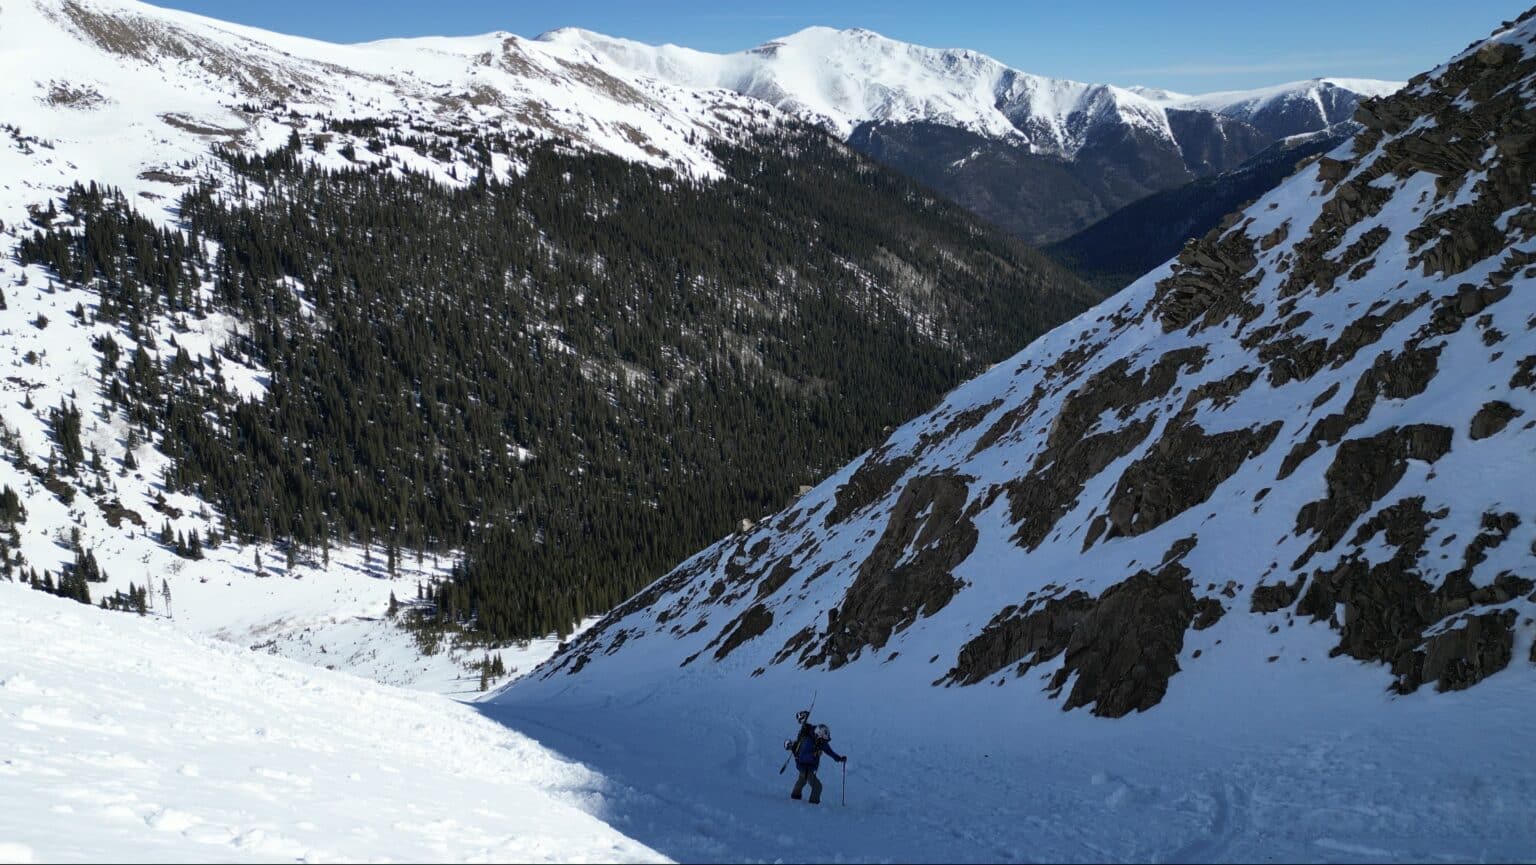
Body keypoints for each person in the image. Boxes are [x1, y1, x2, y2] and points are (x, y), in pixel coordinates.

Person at [784, 715, 844, 804]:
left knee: (802, 781)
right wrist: (814, 754)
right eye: (823, 739)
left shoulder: (820, 742)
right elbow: (802, 757)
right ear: (818, 736)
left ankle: (795, 796)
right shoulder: (808, 742)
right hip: (805, 767)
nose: (824, 742)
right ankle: (813, 806)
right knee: (817, 787)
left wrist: (838, 758)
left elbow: (828, 750)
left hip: (810, 767)